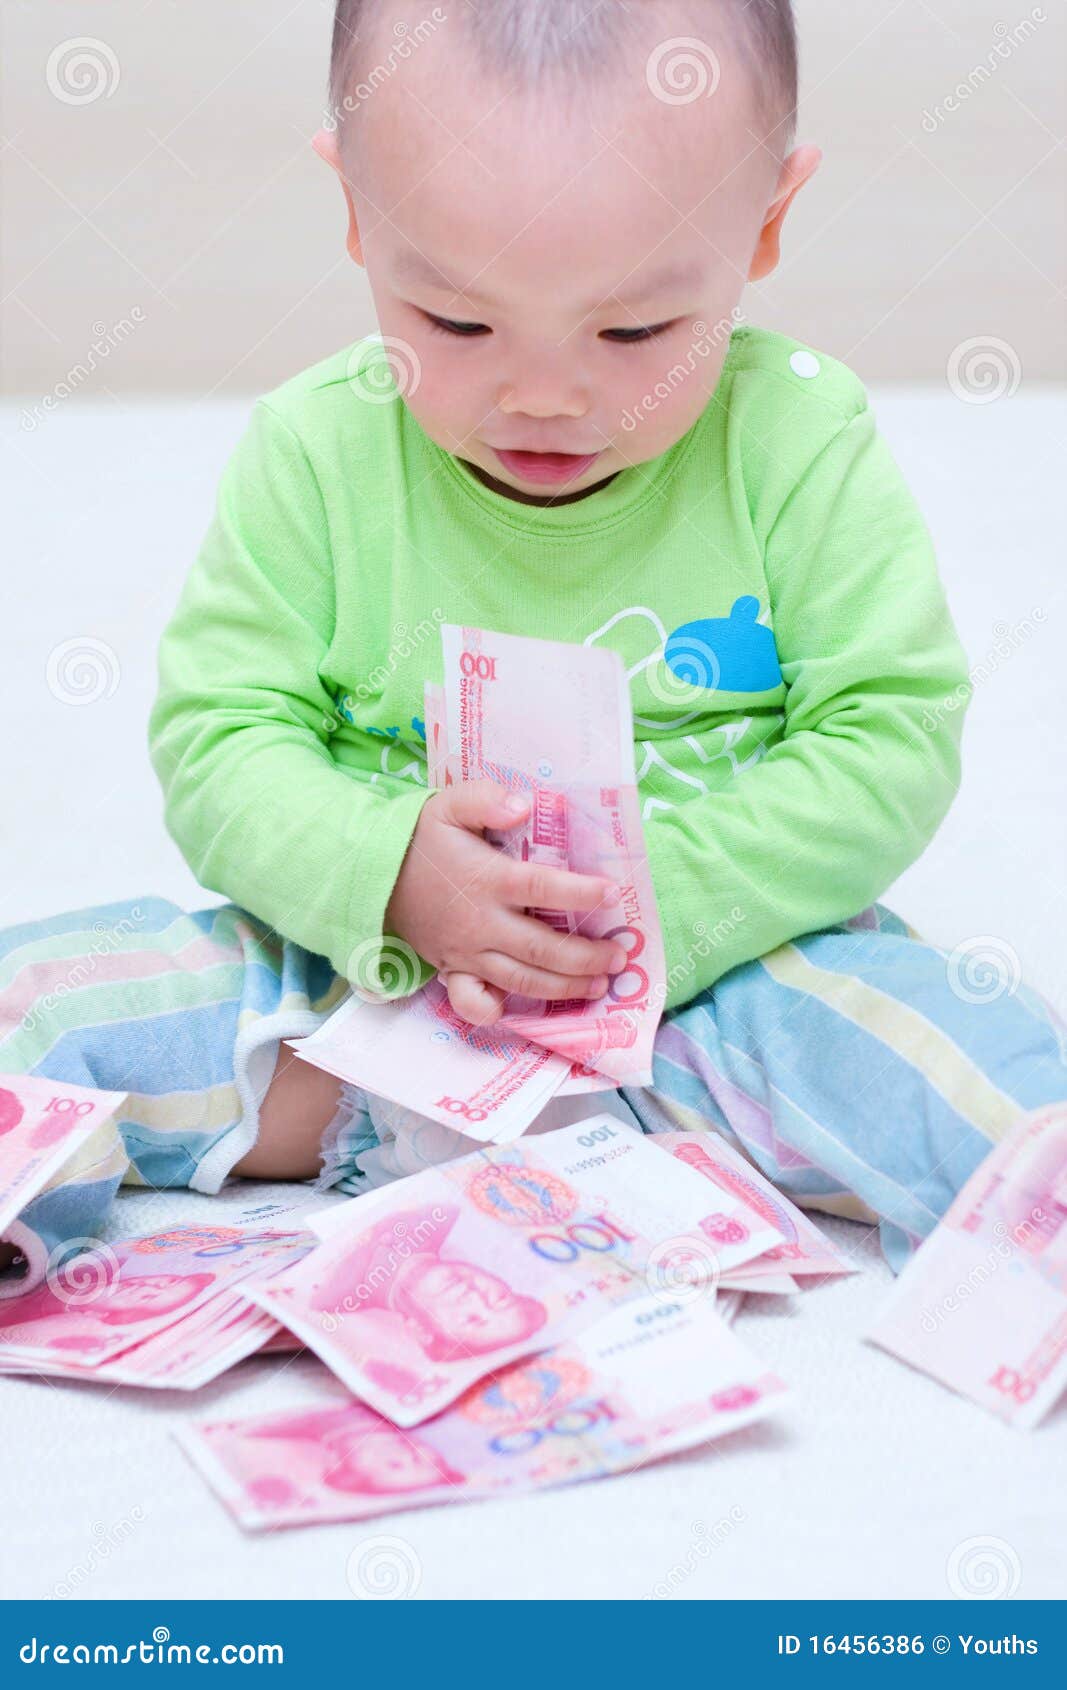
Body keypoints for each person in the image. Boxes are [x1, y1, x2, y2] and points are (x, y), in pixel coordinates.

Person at [3, 1, 1065, 1303]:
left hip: (716, 1001)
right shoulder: (316, 450)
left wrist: (655, 908)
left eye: (633, 334)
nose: (547, 394)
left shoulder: (796, 437)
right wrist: (384, 870)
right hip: (343, 1013)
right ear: (354, 213)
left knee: (957, 1050)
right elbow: (221, 737)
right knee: (43, 994)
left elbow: (890, 730)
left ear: (770, 225)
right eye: (455, 322)